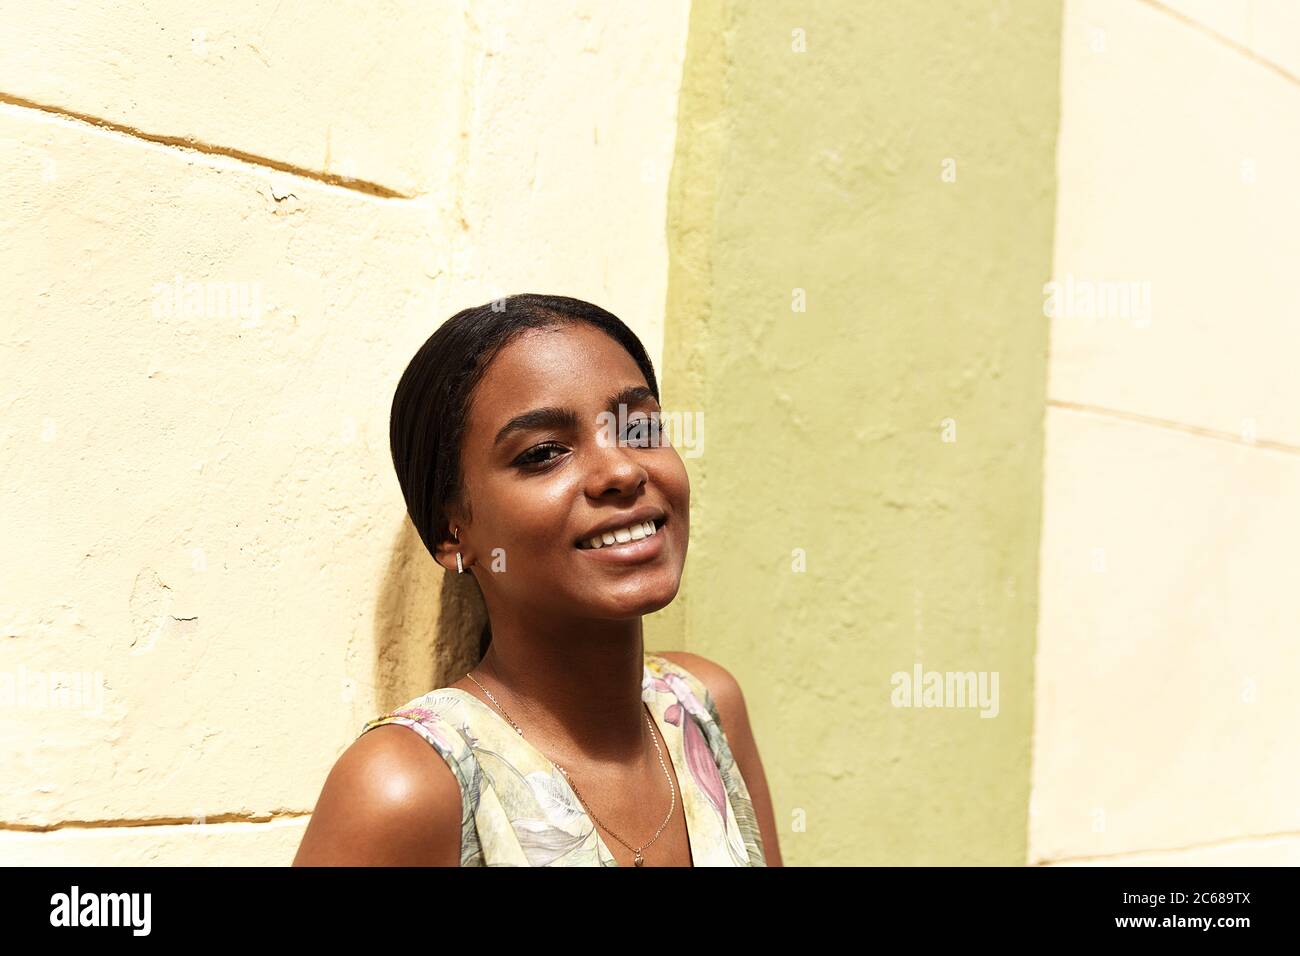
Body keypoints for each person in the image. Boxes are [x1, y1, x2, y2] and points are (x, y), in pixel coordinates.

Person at [293, 293, 781, 867]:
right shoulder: (407, 787)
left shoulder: (702, 709)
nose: (623, 470)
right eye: (545, 453)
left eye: (641, 429)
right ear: (454, 535)